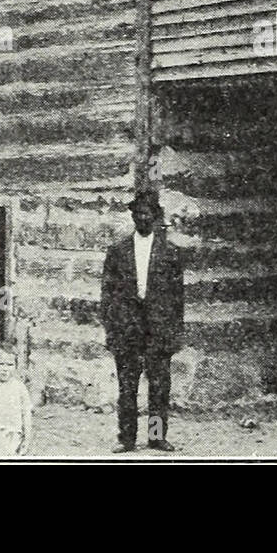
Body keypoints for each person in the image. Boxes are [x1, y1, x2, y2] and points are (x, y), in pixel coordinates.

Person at [101, 187, 184, 453]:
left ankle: (156, 437)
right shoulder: (118, 251)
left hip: (159, 331)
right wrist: (112, 331)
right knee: (128, 388)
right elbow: (108, 295)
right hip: (127, 330)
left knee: (159, 387)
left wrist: (174, 334)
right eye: (138, 214)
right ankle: (126, 439)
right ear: (133, 217)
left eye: (147, 214)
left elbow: (177, 299)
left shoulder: (170, 252)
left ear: (156, 217)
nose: (143, 219)